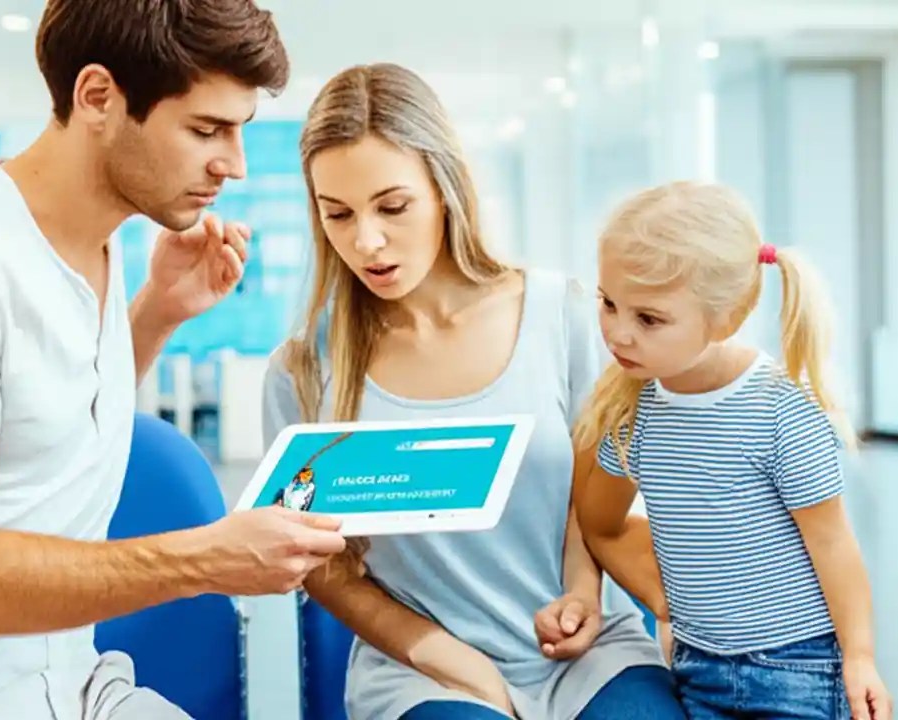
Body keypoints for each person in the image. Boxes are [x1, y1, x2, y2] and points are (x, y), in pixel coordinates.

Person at [0, 2, 346, 718]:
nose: (234, 164)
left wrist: (157, 312)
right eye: (206, 130)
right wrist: (205, 560)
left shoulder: (95, 249)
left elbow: (46, 431)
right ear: (98, 96)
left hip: (72, 677)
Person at [259, 63, 683, 720]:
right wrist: (444, 657)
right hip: (424, 673)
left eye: (393, 207)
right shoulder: (302, 373)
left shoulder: (564, 317)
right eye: (337, 214)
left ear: (444, 188)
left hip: (589, 652)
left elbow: (593, 495)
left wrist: (582, 594)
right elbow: (322, 568)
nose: (366, 240)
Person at [572, 181, 894, 720]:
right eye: (608, 303)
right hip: (696, 668)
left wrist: (860, 657)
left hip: (800, 669)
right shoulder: (630, 411)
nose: (617, 334)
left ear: (728, 317)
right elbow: (599, 523)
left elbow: (833, 543)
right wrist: (662, 597)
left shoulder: (781, 410)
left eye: (648, 318)